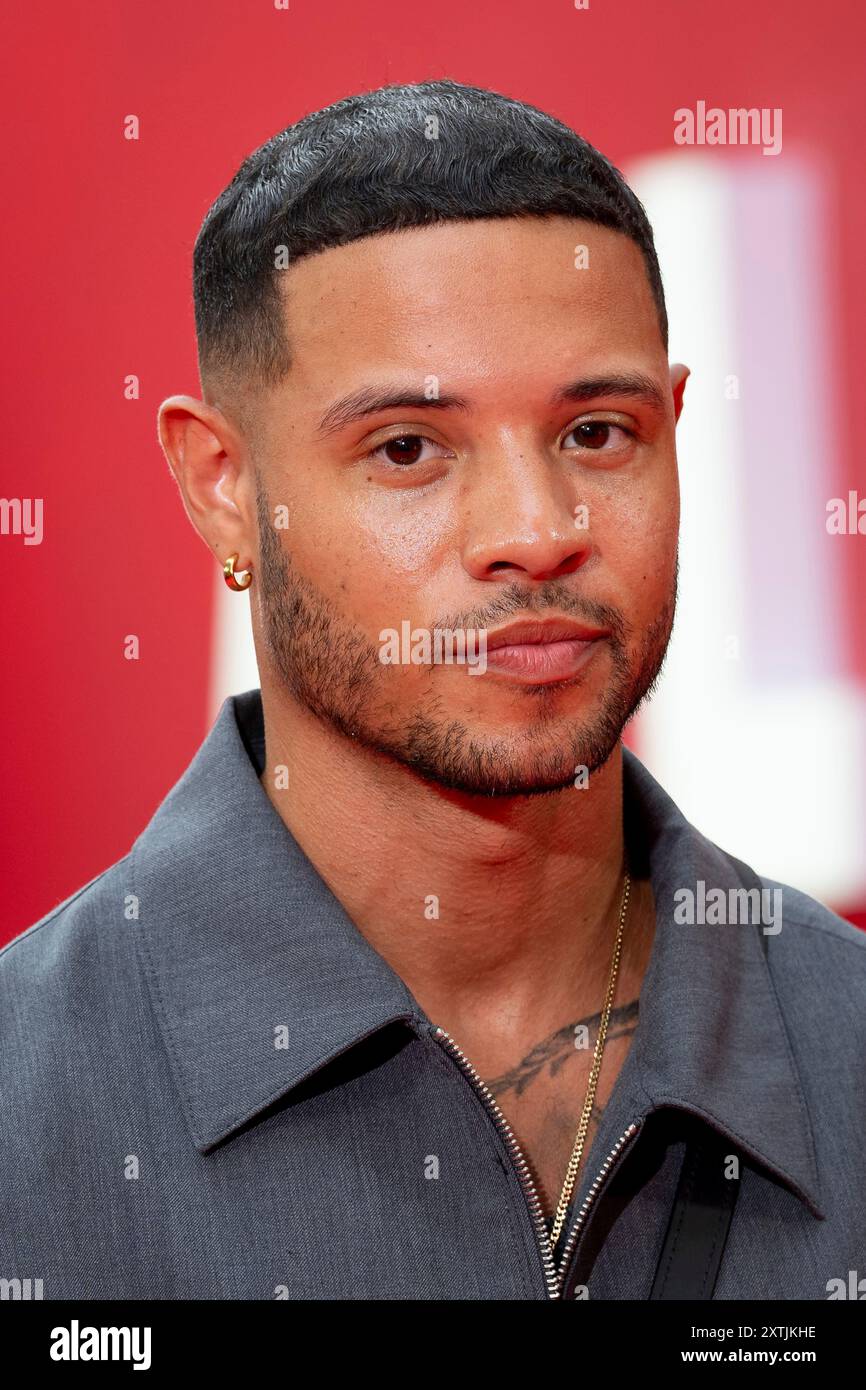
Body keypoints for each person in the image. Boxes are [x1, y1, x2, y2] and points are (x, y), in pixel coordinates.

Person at [2, 78, 864, 1302]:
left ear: (676, 431)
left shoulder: (847, 1037)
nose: (533, 531)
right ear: (221, 486)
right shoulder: (23, 1113)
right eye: (407, 448)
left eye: (595, 434)